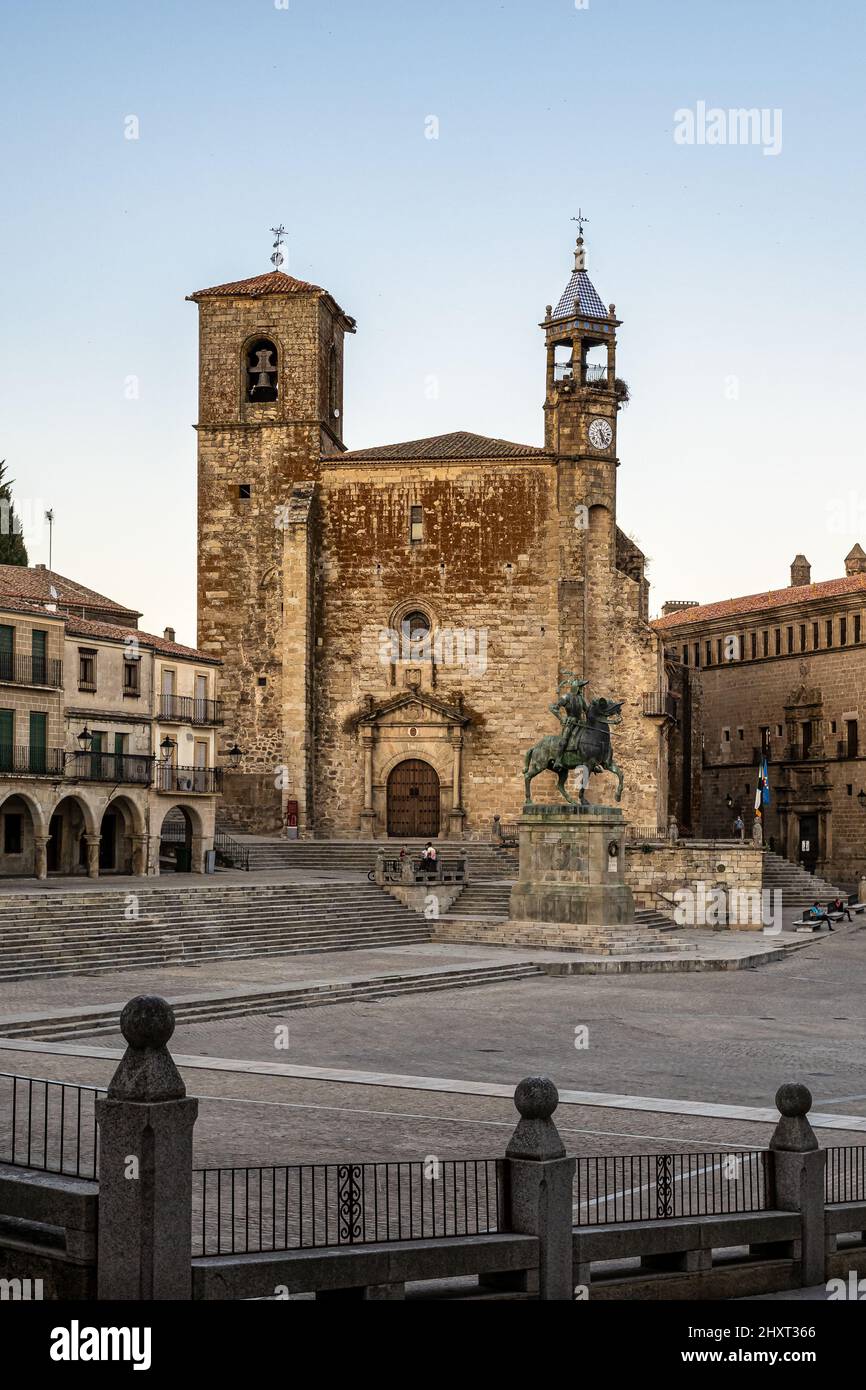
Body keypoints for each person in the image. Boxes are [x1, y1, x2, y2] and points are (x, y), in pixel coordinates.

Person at [550, 677, 590, 773]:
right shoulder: (566, 697)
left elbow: (588, 711)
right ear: (576, 688)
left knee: (589, 740)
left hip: (580, 723)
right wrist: (561, 718)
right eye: (580, 687)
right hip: (570, 723)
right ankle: (558, 760)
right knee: (565, 739)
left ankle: (592, 761)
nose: (581, 689)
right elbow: (553, 708)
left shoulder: (581, 699)